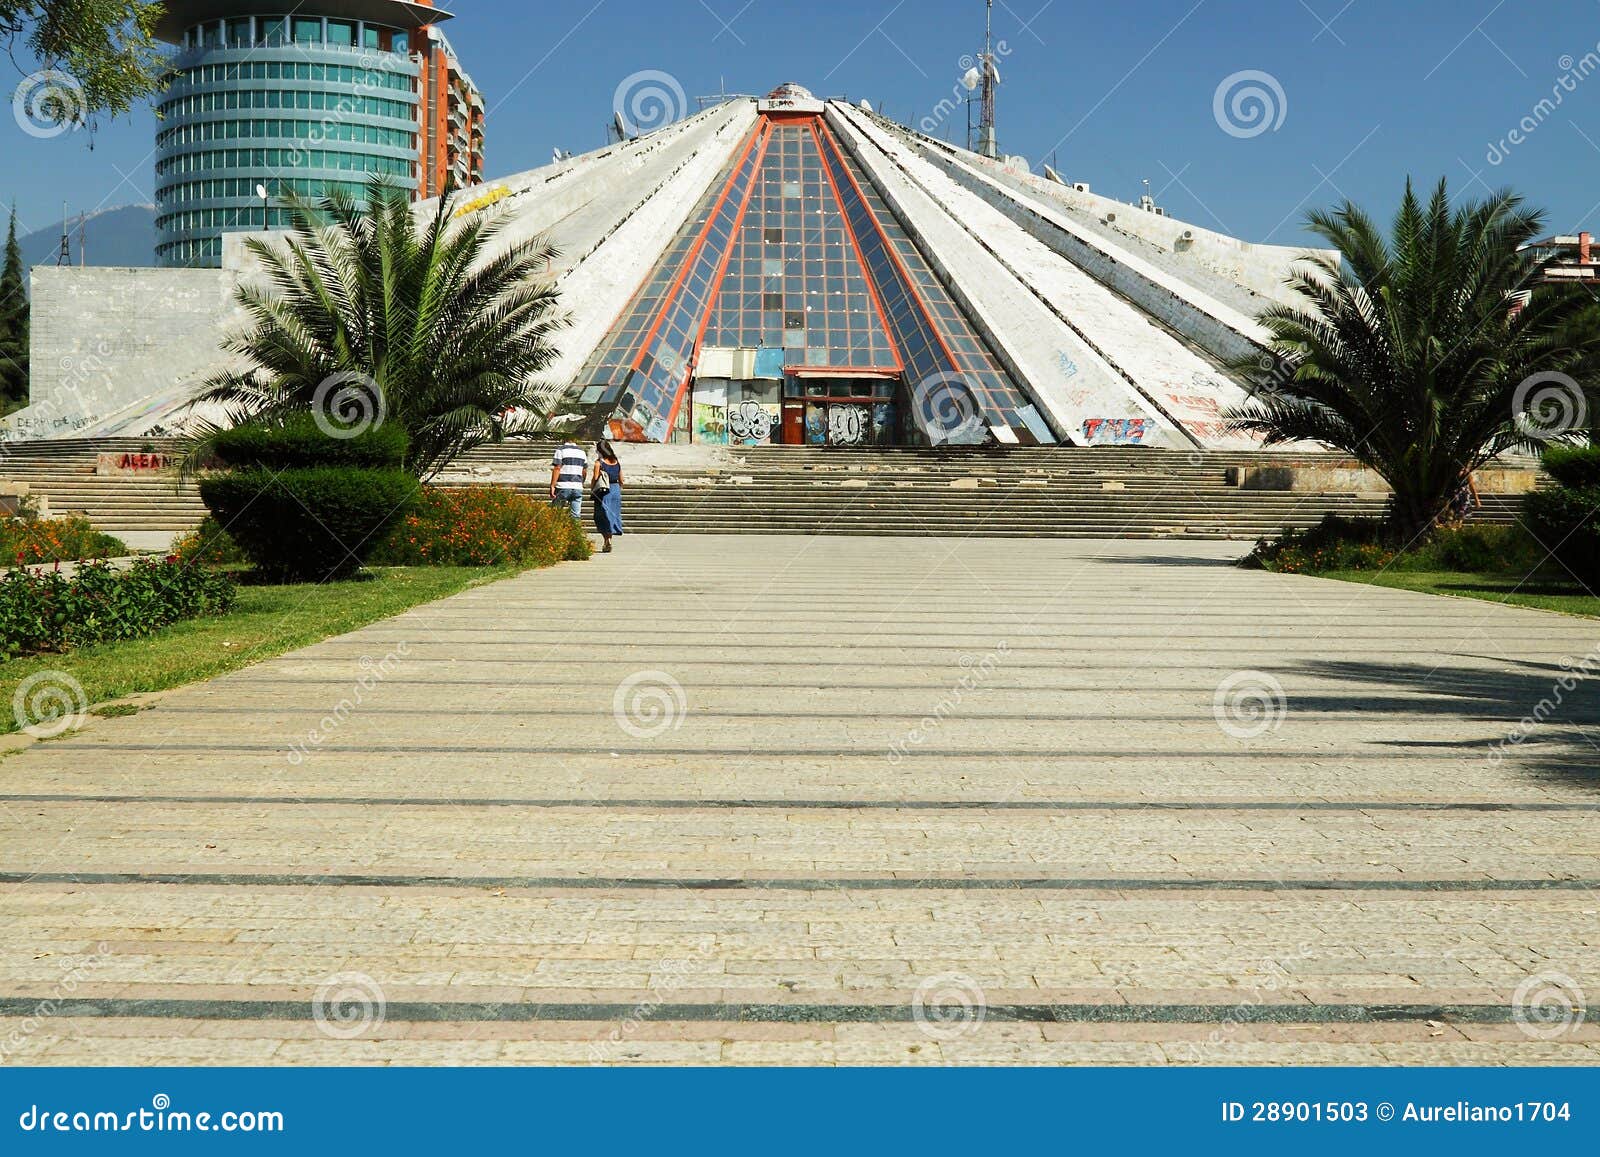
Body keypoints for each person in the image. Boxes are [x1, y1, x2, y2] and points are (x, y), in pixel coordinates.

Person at [591, 439, 624, 553]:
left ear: (600, 451)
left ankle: (607, 540)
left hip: (604, 491)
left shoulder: (598, 463)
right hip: (615, 490)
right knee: (612, 515)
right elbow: (622, 480)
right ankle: (608, 540)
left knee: (601, 516)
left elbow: (595, 479)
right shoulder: (616, 462)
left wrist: (592, 490)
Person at [549, 439, 587, 520]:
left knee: (556, 513)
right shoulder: (582, 452)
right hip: (577, 486)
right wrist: (581, 482)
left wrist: (552, 485)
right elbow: (584, 470)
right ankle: (575, 531)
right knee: (576, 515)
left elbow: (557, 468)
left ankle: (557, 531)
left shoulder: (560, 450)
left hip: (563, 486)